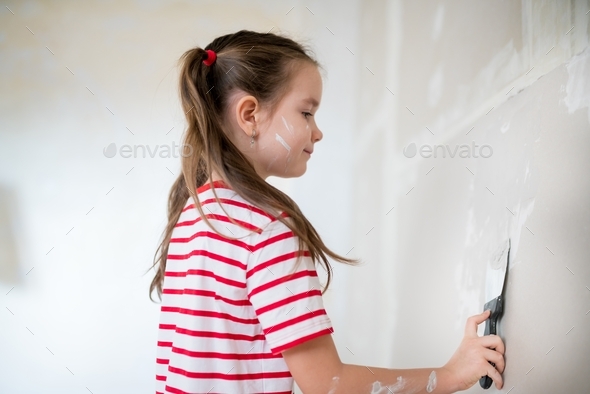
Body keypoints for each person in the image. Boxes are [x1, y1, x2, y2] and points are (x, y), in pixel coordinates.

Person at [148, 29, 505, 394]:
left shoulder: (192, 213)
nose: (317, 133)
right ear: (250, 114)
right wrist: (448, 376)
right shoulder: (266, 230)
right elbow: (328, 385)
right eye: (306, 112)